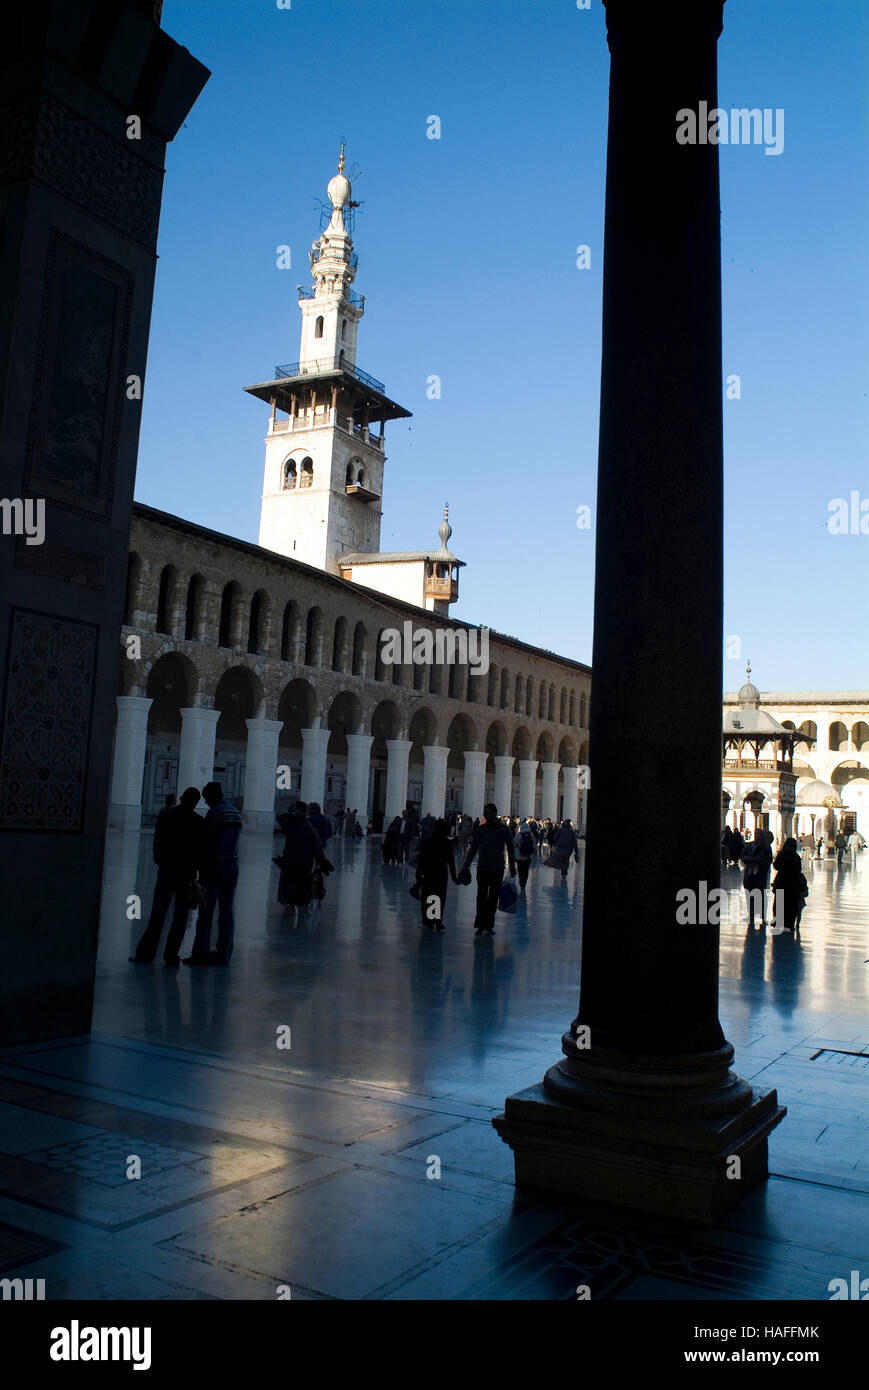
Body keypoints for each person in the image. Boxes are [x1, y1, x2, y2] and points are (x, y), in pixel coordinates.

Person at [131, 787, 204, 965]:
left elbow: (158, 842)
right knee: (180, 917)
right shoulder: (198, 821)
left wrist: (160, 861)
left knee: (158, 914)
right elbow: (200, 851)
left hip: (168, 871)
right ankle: (171, 955)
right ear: (196, 802)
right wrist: (195, 870)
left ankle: (145, 954)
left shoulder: (167, 816)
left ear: (181, 798)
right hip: (186, 874)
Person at [185, 782, 242, 965]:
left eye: (207, 797)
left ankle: (200, 954)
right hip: (232, 865)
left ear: (212, 795)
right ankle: (224, 952)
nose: (206, 802)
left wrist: (199, 870)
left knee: (206, 911)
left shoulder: (215, 812)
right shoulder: (234, 811)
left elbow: (206, 841)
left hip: (215, 866)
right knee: (227, 911)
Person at [460, 803, 516, 935]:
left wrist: (512, 866)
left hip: (497, 868)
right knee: (481, 897)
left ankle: (489, 924)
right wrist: (465, 865)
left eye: (487, 812)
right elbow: (473, 848)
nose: (485, 815)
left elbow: (511, 848)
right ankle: (480, 924)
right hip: (483, 867)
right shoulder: (482, 829)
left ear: (494, 813)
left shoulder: (503, 829)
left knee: (493, 898)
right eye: (484, 812)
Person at [276, 802, 332, 914]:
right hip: (304, 863)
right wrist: (323, 863)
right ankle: (304, 907)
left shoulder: (296, 825)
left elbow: (280, 818)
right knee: (302, 884)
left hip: (293, 862)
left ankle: (294, 906)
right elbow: (318, 848)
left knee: (293, 884)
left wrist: (291, 814)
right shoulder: (306, 826)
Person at [415, 819, 457, 930]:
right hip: (441, 873)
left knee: (429, 896)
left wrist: (419, 873)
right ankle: (437, 920)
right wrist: (454, 876)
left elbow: (422, 858)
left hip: (429, 872)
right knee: (439, 897)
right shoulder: (447, 843)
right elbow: (451, 861)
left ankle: (429, 920)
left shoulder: (428, 841)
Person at [742, 827, 772, 927]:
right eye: (756, 834)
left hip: (760, 875)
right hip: (750, 874)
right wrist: (748, 859)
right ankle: (751, 915)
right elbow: (743, 856)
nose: (757, 836)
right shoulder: (750, 845)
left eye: (759, 834)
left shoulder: (766, 847)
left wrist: (756, 860)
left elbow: (769, 860)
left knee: (761, 896)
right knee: (750, 895)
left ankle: (763, 917)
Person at [772, 837, 803, 933]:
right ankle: (789, 924)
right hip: (793, 884)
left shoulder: (782, 854)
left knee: (780, 903)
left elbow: (775, 865)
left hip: (782, 881)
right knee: (791, 904)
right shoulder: (796, 856)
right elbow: (799, 870)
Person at [513, 818, 536, 892]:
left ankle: (521, 882)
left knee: (520, 870)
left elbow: (514, 844)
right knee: (526, 871)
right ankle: (524, 884)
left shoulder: (518, 835)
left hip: (519, 857)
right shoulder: (531, 835)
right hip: (527, 856)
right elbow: (534, 846)